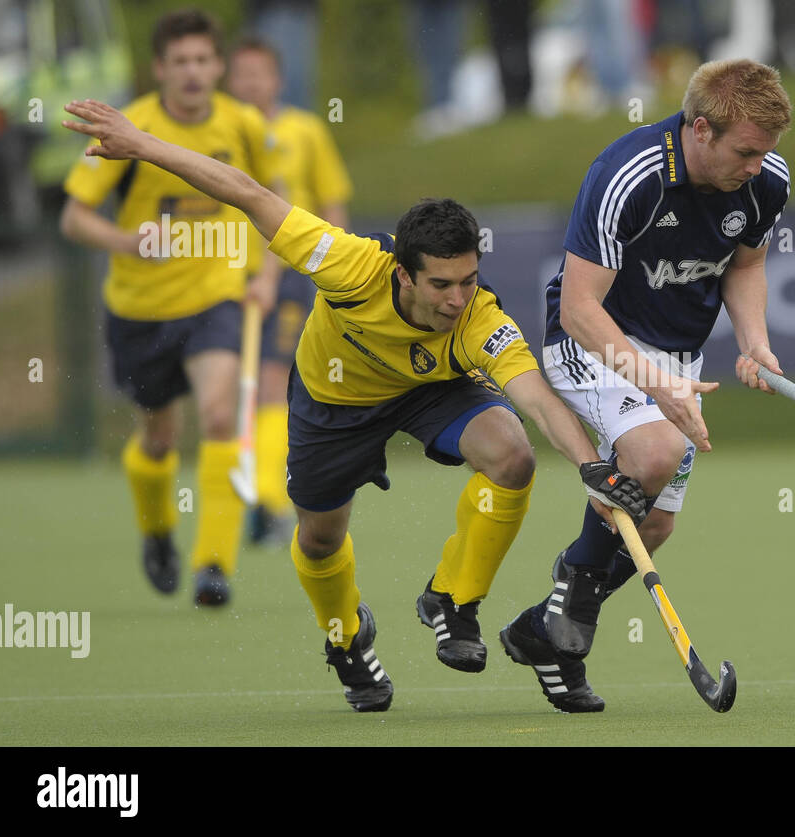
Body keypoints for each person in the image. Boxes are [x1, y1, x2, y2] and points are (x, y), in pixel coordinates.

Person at [61, 97, 650, 713]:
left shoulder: (479, 318)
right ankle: (347, 638)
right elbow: (243, 190)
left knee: (512, 456)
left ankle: (452, 600)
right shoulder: (346, 264)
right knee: (319, 540)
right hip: (334, 403)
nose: (457, 299)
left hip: (430, 391)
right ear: (403, 274)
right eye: (441, 285)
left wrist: (592, 467)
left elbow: (537, 398)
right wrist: (142, 143)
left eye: (469, 280)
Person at [501, 58, 792, 712]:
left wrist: (755, 342)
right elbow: (579, 305)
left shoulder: (765, 178)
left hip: (677, 356)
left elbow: (745, 265)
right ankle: (576, 593)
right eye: (745, 150)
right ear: (699, 129)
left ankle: (551, 628)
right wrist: (656, 383)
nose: (757, 165)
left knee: (653, 524)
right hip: (592, 337)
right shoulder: (628, 176)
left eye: (766, 152)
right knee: (653, 454)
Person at [59, 9, 282, 606]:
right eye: (179, 61)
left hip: (216, 299)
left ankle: (214, 564)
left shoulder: (243, 125)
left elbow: (272, 200)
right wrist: (125, 242)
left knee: (217, 415)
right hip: (140, 307)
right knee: (158, 437)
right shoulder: (128, 131)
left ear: (218, 66)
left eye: (202, 60)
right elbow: (74, 217)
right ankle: (158, 530)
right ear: (159, 69)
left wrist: (267, 271)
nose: (192, 72)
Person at [227, 35, 354, 547]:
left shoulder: (304, 130)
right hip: (226, 274)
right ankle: (257, 495)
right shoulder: (221, 130)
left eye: (261, 72)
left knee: (275, 377)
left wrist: (339, 267)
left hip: (290, 271)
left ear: (278, 79)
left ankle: (269, 501)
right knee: (236, 384)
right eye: (241, 74)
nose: (251, 82)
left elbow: (333, 200)